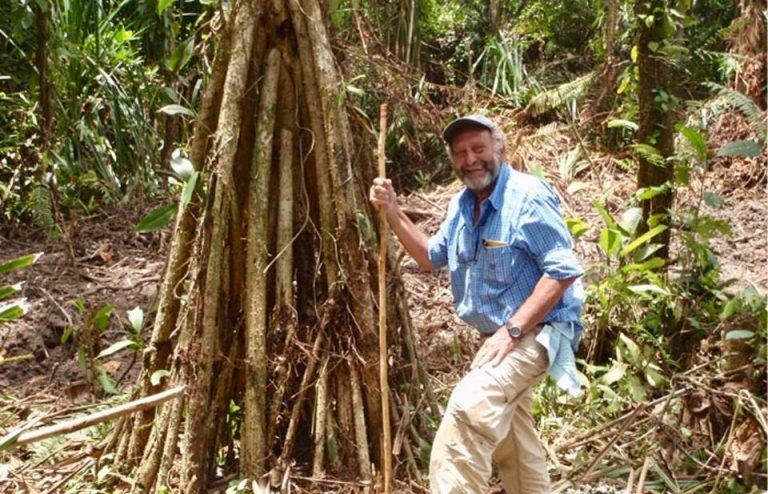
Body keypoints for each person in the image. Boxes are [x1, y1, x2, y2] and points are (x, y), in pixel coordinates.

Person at [369, 114, 584, 493]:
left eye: (479, 148)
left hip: (537, 332)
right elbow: (431, 256)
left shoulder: (527, 196)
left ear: (499, 148)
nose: (470, 159)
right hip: (502, 336)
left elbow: (563, 269)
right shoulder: (462, 205)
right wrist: (394, 213)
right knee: (515, 446)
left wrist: (512, 330)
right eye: (461, 152)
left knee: (468, 410)